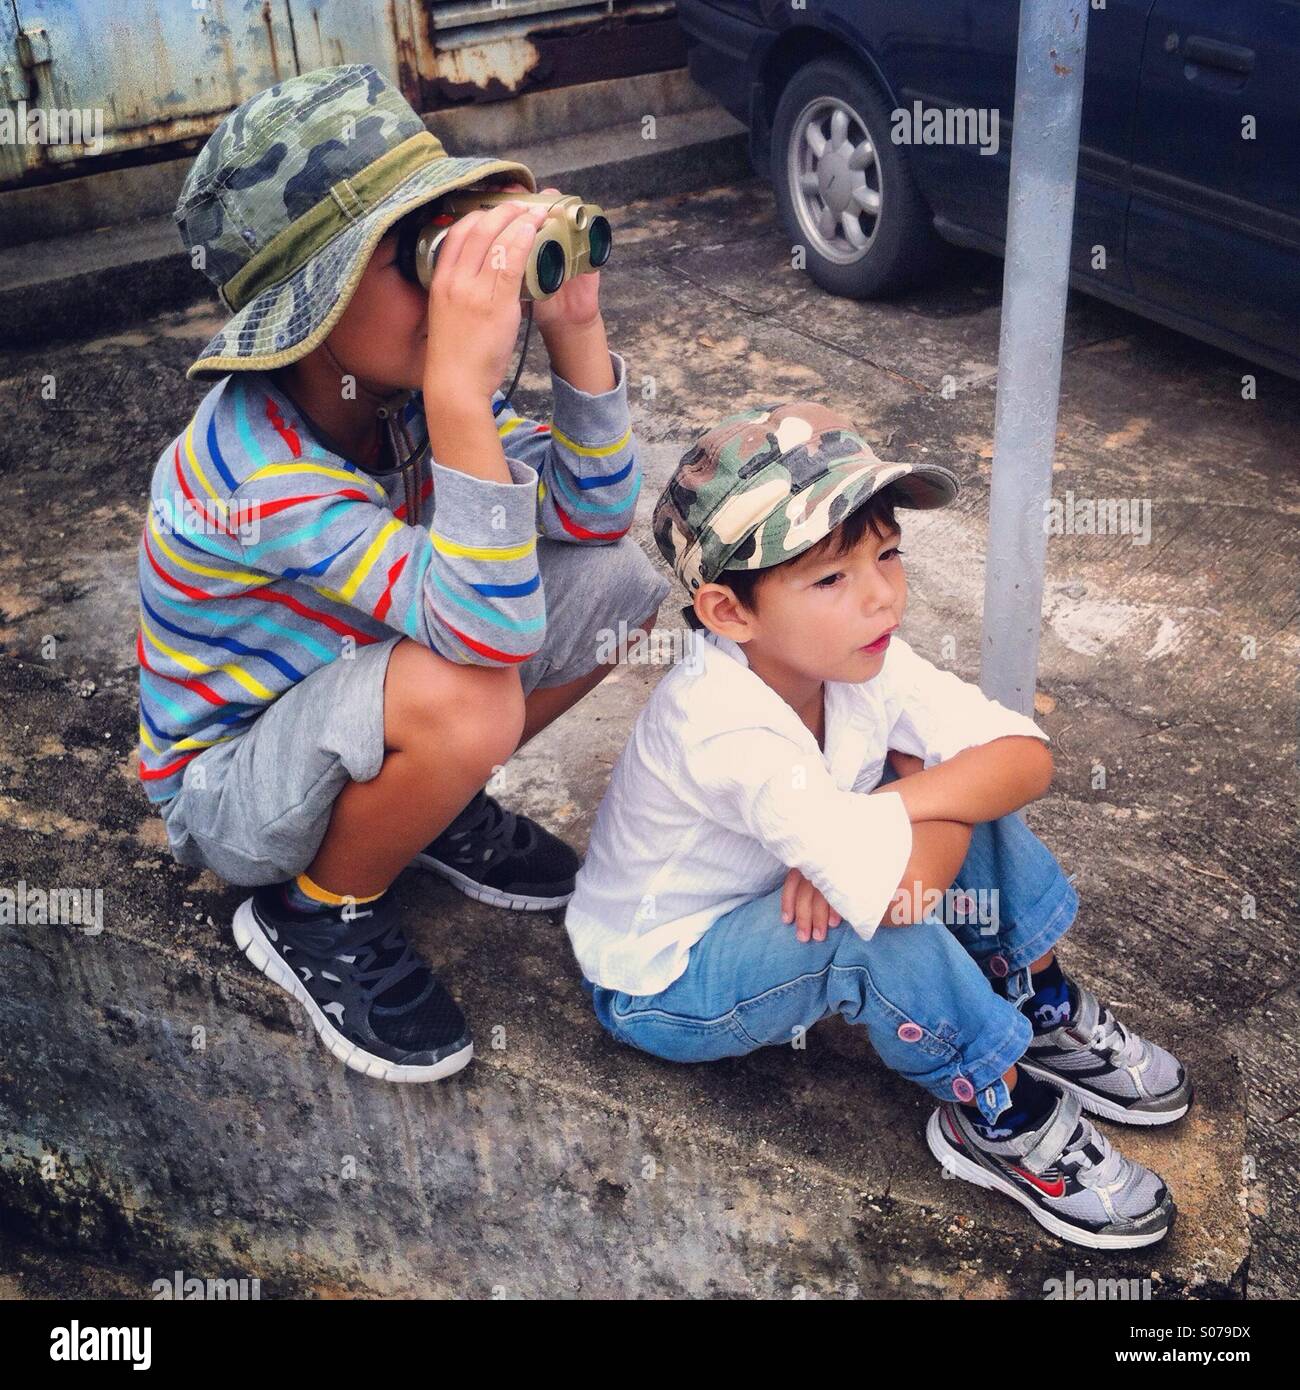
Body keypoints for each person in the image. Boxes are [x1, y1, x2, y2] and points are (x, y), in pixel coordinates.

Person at [135, 64, 669, 1083]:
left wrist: (575, 329)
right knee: (465, 696)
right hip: (235, 792)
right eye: (417, 253)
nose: (454, 284)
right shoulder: (250, 469)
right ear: (313, 306)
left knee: (618, 588)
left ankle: (419, 807)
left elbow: (591, 517)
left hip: (363, 692)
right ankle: (317, 909)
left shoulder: (398, 397)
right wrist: (462, 390)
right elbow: (487, 635)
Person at [564, 401, 1191, 1248]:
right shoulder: (722, 724)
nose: (881, 596)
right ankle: (992, 1105)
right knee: (872, 925)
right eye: (830, 579)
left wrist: (894, 803)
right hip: (667, 978)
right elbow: (897, 901)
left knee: (962, 799)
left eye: (887, 554)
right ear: (728, 613)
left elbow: (1025, 759)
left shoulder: (857, 655)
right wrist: (932, 790)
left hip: (783, 898)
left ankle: (1034, 1002)